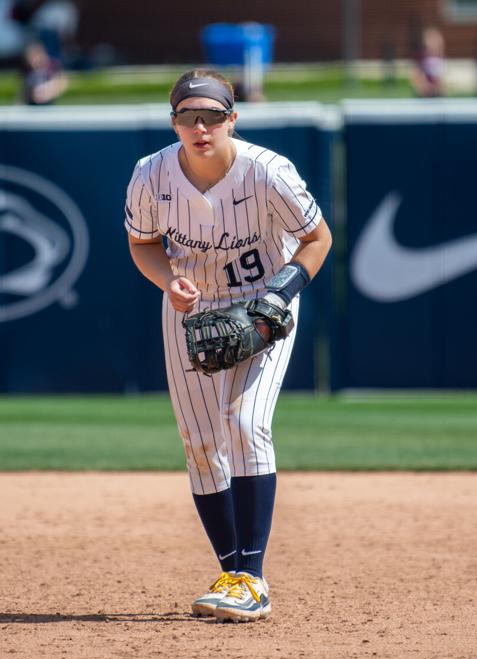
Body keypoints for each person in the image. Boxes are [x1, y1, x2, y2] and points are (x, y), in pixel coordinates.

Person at [123, 69, 332, 623]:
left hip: (265, 307)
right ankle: (231, 572)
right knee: (198, 441)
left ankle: (254, 579)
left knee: (243, 421)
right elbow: (142, 244)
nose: (200, 126)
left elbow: (318, 238)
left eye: (212, 115)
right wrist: (167, 281)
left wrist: (282, 295)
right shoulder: (151, 175)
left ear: (231, 119)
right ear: (174, 122)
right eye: (188, 115)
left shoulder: (268, 172)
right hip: (192, 311)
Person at [411, 27, 446, 98]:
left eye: (436, 40)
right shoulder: (421, 57)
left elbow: (441, 77)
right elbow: (416, 74)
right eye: (432, 40)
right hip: (423, 93)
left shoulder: (441, 58)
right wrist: (423, 86)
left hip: (437, 93)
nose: (434, 43)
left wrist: (438, 87)